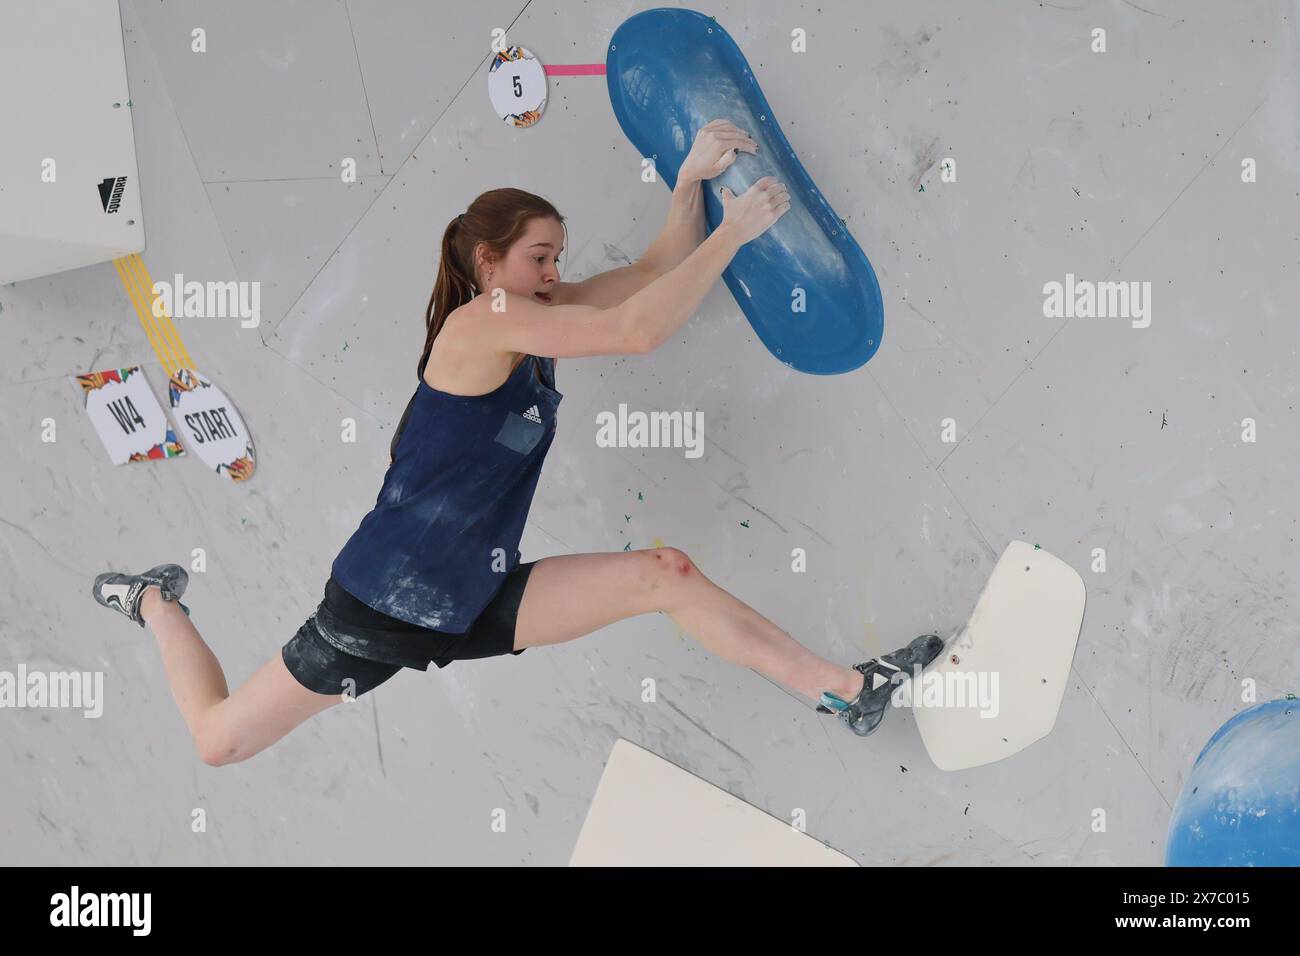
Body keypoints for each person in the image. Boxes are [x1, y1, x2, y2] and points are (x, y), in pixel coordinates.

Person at [92, 120, 942, 766]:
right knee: (218, 743)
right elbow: (638, 332)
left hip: (476, 595)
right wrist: (732, 234)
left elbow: (646, 279)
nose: (553, 274)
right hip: (383, 606)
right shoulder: (480, 323)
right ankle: (155, 601)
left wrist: (688, 189)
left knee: (664, 575)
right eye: (540, 258)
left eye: (558, 258)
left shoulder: (529, 317)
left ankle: (848, 693)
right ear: (489, 264)